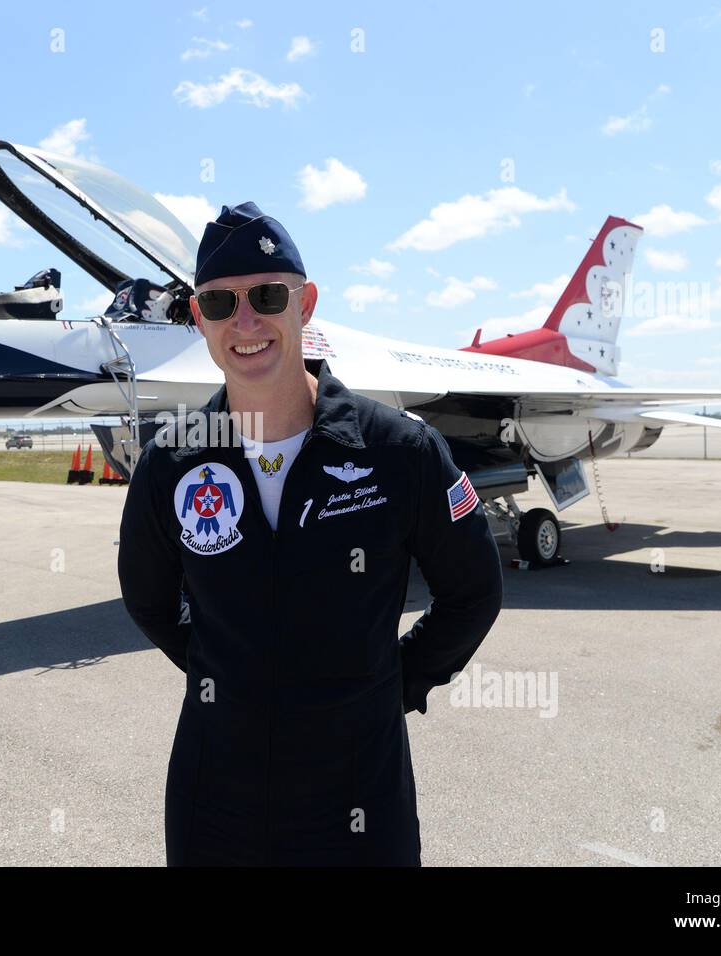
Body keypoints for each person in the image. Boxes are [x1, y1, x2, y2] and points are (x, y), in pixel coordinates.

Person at [117, 201, 503, 866]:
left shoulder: (400, 451)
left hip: (357, 805)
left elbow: (473, 592)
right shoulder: (171, 463)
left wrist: (392, 684)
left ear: (306, 303)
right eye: (219, 304)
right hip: (215, 806)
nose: (245, 322)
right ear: (198, 319)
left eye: (268, 296)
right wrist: (234, 680)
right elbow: (150, 602)